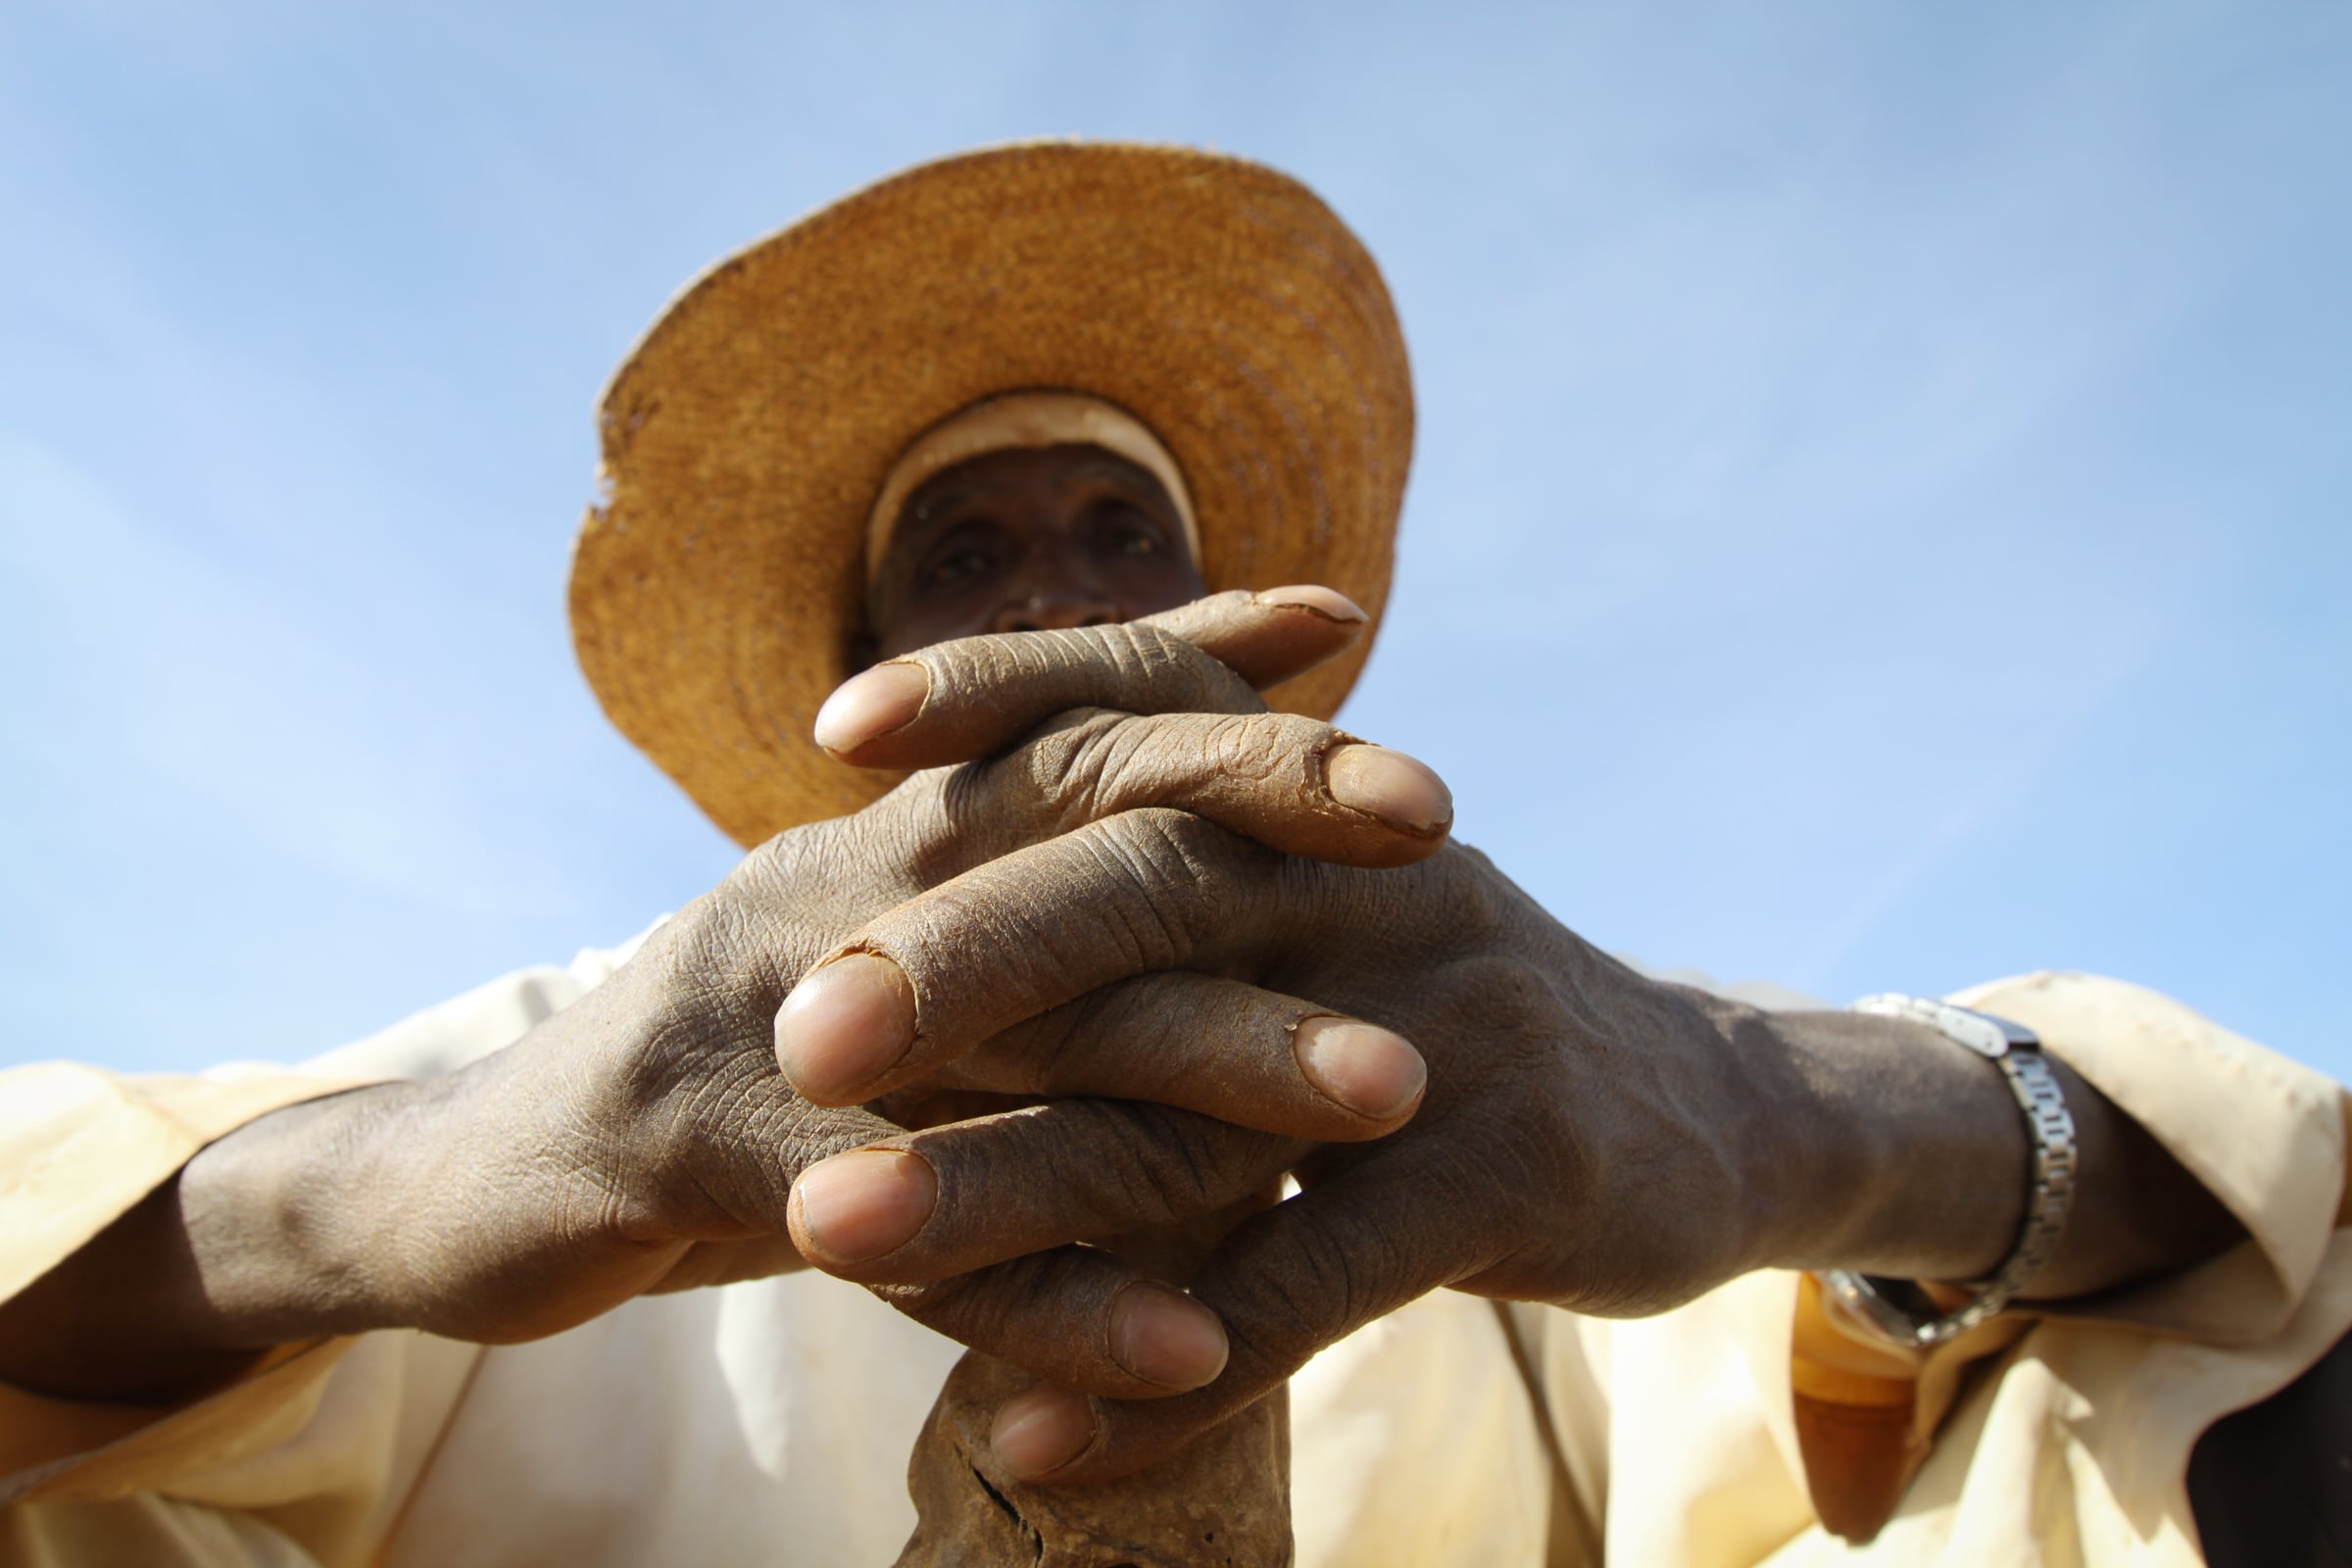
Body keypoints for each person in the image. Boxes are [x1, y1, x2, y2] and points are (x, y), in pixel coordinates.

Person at [2, 143, 2346, 1567]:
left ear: (1257, 661)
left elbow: (2178, 1332)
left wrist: (1798, 1111)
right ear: (857, 691)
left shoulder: (1513, 1160)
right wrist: (354, 1200)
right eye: (974, 554)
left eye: (1124, 535)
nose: (1061, 604)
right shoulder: (548, 1078)